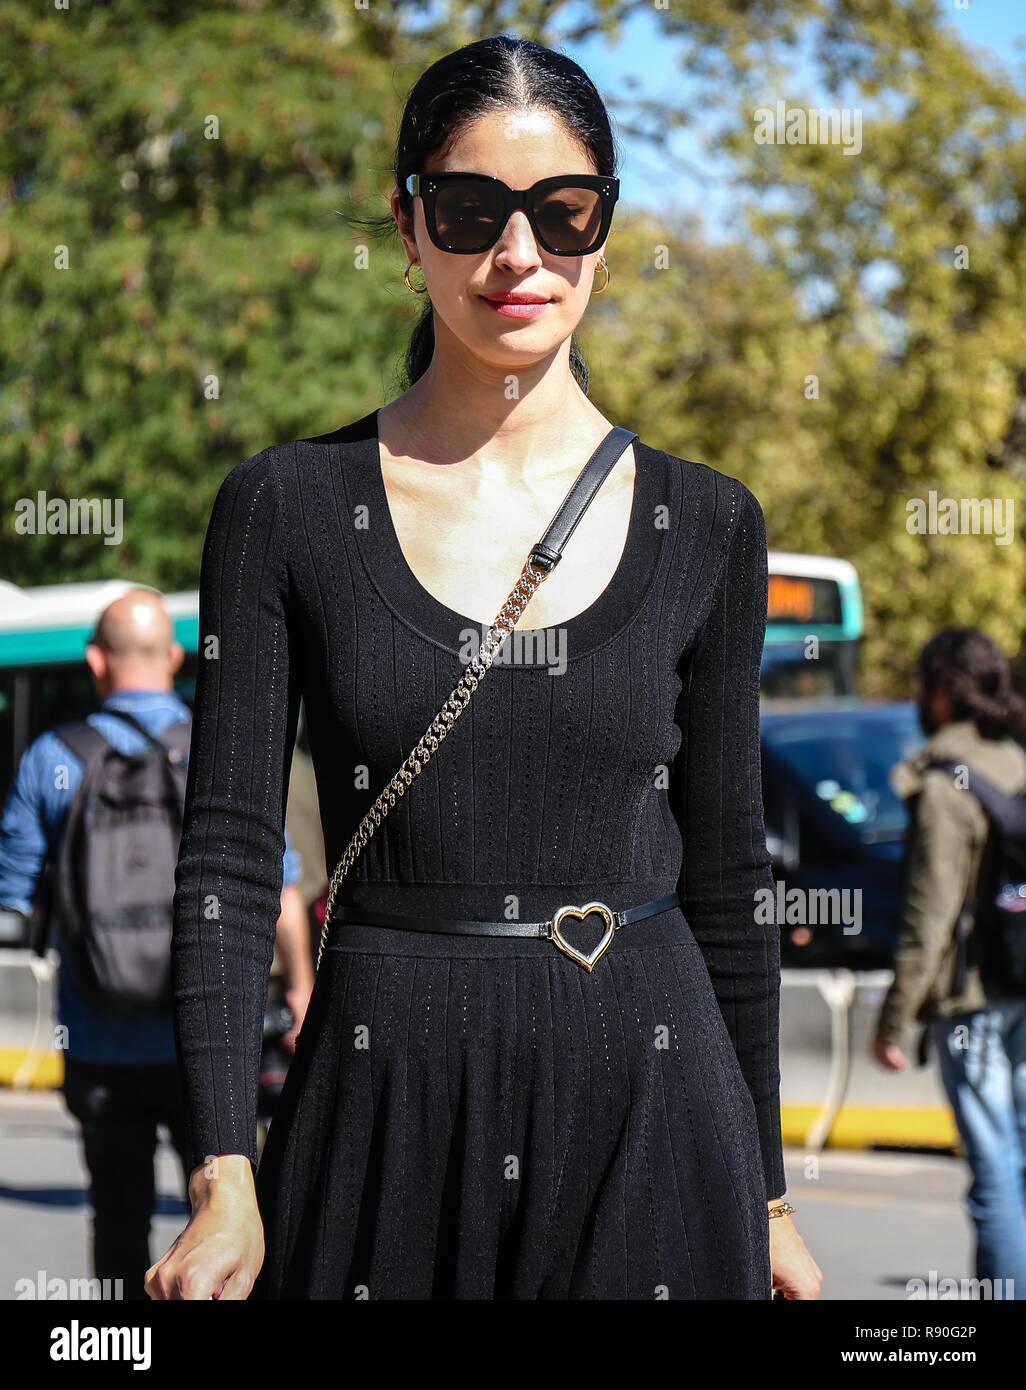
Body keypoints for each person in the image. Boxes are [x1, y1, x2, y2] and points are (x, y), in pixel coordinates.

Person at [148, 35, 820, 1301]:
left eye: (562, 214)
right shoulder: (287, 507)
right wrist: (224, 1175)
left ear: (603, 234)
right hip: (383, 1101)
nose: (519, 256)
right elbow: (232, 853)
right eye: (470, 211)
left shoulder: (710, 523)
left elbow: (731, 874)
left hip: (653, 1104)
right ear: (409, 230)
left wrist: (768, 1185)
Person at [0, 586, 310, 1299]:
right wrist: (300, 986)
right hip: (208, 1044)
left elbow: (14, 899)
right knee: (231, 1216)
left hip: (99, 1043)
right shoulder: (217, 749)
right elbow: (280, 888)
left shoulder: (56, 757)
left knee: (118, 1221)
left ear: (95, 661)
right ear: (174, 656)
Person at [874, 626, 1026, 1294]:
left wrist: (893, 1020)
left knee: (996, 1178)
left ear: (941, 691)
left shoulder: (946, 784)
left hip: (977, 1003)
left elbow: (929, 919)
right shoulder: (1019, 757)